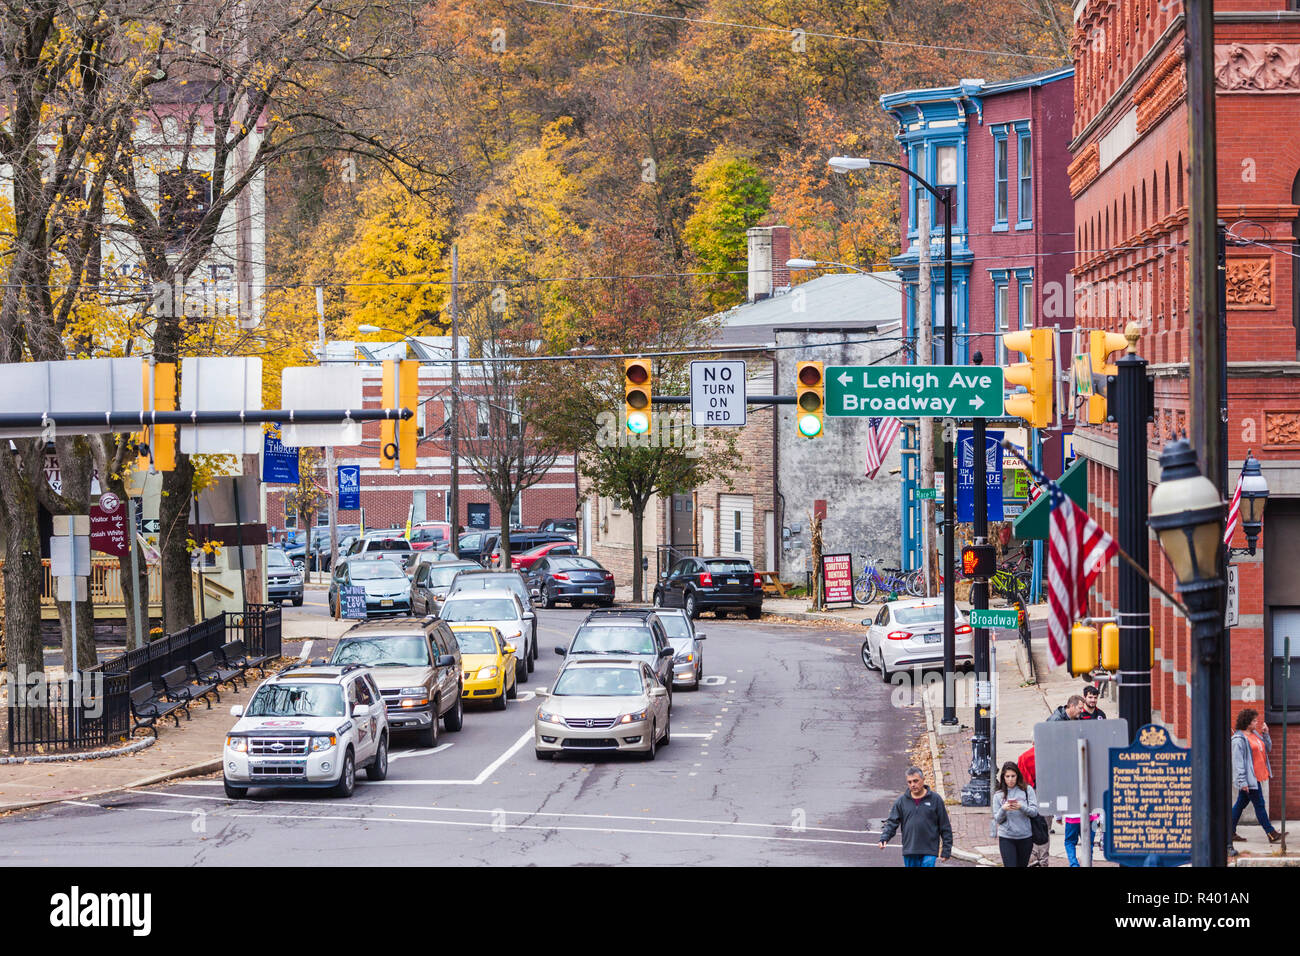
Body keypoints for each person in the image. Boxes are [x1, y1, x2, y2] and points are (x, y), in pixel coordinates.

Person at [878, 766, 953, 866]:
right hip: (910, 849)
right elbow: (892, 822)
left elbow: (945, 826)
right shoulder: (901, 801)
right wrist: (884, 838)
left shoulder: (935, 799)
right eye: (909, 782)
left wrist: (946, 850)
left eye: (915, 781)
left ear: (923, 780)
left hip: (929, 850)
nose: (912, 785)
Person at [1231, 708, 1281, 843]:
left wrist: (1266, 734)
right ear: (1247, 722)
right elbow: (1238, 763)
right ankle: (1271, 833)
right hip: (1249, 779)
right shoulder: (1238, 740)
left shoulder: (1255, 735)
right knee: (1260, 805)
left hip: (1258, 776)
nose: (1257, 722)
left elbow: (1267, 748)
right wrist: (1243, 782)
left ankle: (1229, 831)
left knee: (1240, 804)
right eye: (1254, 720)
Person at [992, 762, 1040, 868]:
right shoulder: (998, 795)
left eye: (1013, 776)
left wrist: (1021, 807)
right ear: (1003, 777)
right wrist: (1003, 809)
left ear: (1017, 776)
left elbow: (1034, 812)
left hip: (1025, 836)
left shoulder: (1027, 790)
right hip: (1006, 837)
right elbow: (997, 819)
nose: (1010, 779)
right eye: (1007, 776)